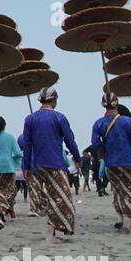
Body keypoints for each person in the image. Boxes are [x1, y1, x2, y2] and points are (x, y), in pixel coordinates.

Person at [22, 87, 82, 243]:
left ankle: (52, 233)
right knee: (63, 199)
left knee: (53, 198)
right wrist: (77, 158)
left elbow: (27, 145)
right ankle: (50, 235)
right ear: (54, 100)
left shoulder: (30, 119)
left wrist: (26, 166)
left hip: (38, 165)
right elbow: (70, 141)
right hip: (55, 163)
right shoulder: (59, 117)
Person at [92, 93, 131, 234]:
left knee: (117, 191)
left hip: (110, 163)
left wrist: (103, 153)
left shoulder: (98, 123)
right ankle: (129, 223)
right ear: (116, 103)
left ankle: (120, 218)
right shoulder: (127, 121)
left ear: (102, 104)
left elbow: (95, 144)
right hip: (127, 161)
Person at [0, 116, 22, 224]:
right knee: (10, 191)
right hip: (8, 167)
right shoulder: (10, 137)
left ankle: (0, 210)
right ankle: (5, 210)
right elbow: (17, 152)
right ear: (4, 125)